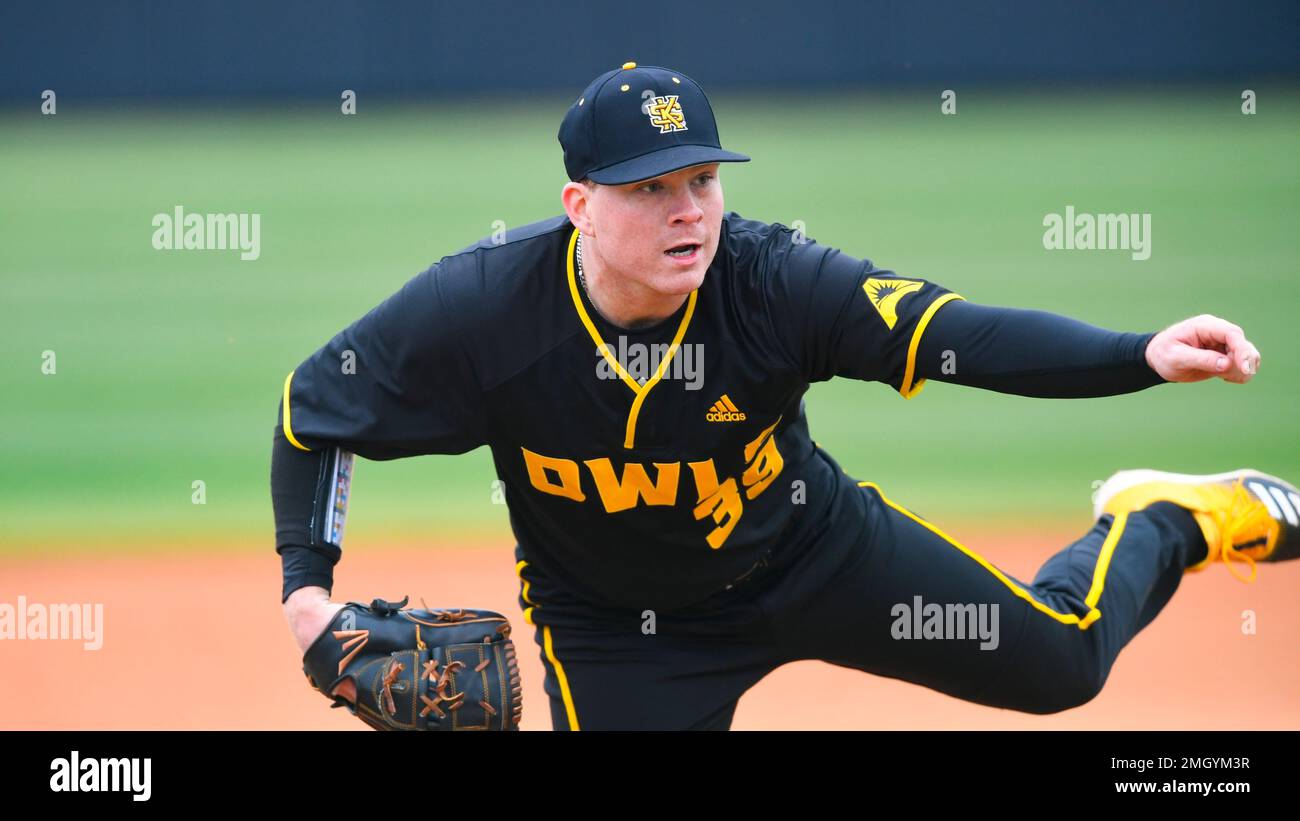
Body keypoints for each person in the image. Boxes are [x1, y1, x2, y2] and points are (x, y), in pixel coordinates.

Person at [272, 62, 1297, 730]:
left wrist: (1142, 352)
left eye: (703, 181)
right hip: (617, 628)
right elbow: (313, 413)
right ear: (579, 205)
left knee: (1063, 665)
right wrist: (308, 595)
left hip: (816, 555)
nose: (689, 212)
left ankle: (1163, 515)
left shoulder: (775, 280)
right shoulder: (480, 310)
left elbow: (958, 336)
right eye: (649, 190)